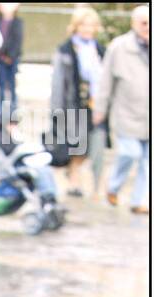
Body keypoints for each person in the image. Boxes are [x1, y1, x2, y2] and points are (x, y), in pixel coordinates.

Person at [97, 5, 149, 214]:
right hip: (127, 113)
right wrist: (100, 108)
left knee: (149, 163)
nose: (149, 27)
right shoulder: (119, 47)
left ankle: (137, 201)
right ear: (133, 24)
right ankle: (113, 187)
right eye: (144, 23)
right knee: (130, 153)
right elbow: (105, 81)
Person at [51, 5, 105, 197]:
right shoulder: (66, 50)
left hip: (96, 104)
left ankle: (84, 180)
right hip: (73, 103)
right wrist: (57, 112)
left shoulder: (99, 49)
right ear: (76, 26)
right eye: (83, 25)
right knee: (78, 145)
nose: (87, 29)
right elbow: (58, 84)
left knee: (95, 145)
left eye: (91, 25)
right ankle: (74, 182)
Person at [0, 2, 23, 123]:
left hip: (12, 60)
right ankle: (0, 112)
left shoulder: (18, 23)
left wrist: (10, 56)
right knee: (1, 87)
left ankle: (13, 113)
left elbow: (17, 41)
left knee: (11, 87)